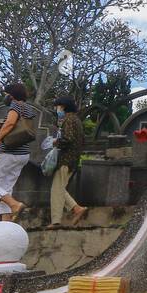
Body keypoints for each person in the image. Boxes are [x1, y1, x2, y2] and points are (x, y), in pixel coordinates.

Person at [0, 82, 36, 221]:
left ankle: (14, 204)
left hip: (9, 153)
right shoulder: (28, 108)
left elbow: (9, 124)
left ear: (11, 95)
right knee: (5, 188)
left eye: (6, 94)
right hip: (23, 154)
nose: (5, 96)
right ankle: (6, 223)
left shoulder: (15, 105)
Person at [48, 96, 88, 228]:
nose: (56, 109)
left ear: (63, 107)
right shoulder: (77, 120)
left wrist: (56, 142)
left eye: (57, 106)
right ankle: (77, 209)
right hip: (73, 159)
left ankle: (56, 221)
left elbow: (68, 138)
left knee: (57, 190)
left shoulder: (69, 119)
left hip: (66, 159)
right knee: (59, 189)